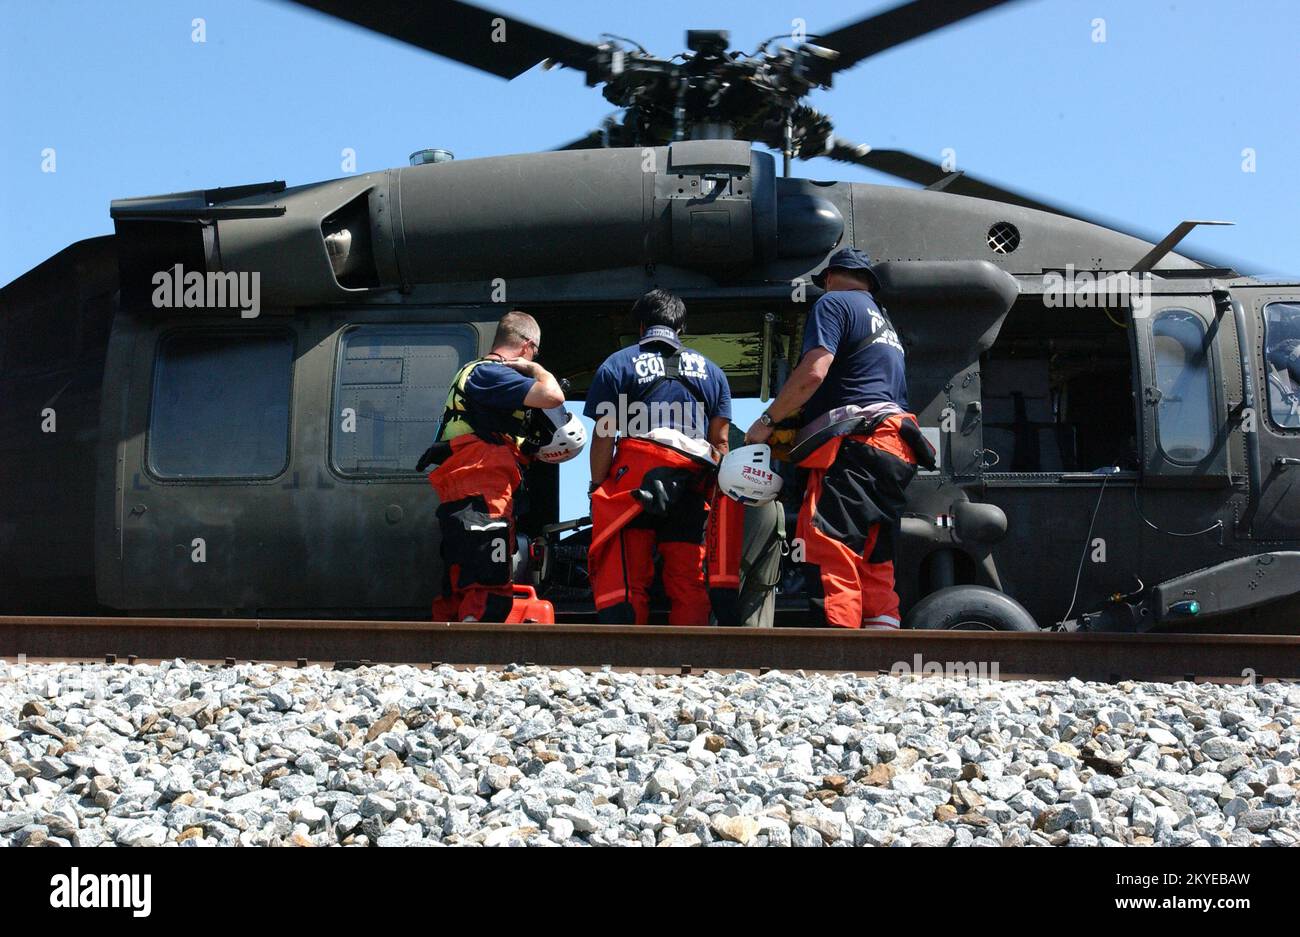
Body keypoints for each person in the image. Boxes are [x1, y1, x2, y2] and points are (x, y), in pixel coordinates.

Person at [745, 247, 932, 629]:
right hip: (895, 446)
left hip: (856, 446)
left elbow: (814, 372)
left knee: (831, 544)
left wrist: (767, 420)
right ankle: (881, 646)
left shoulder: (833, 304)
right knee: (874, 556)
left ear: (830, 277)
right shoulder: (884, 321)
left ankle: (836, 654)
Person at [584, 289, 732, 625]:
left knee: (629, 578)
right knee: (688, 580)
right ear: (681, 328)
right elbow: (720, 442)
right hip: (691, 488)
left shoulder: (617, 365)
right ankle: (691, 659)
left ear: (640, 327)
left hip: (633, 489)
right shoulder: (713, 372)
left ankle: (627, 657)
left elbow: (605, 433)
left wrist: (597, 486)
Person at [425, 311, 565, 622]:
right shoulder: (493, 373)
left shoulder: (475, 374)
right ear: (527, 346)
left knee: (462, 572)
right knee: (489, 578)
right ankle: (476, 647)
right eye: (534, 353)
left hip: (465, 480)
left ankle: (451, 643)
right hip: (484, 481)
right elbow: (553, 396)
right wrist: (535, 369)